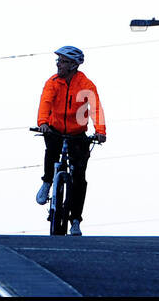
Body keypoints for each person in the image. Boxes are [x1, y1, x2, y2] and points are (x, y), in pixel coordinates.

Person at [35, 45, 106, 236]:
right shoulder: (53, 82)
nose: (59, 64)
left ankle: (75, 220)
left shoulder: (86, 85)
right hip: (55, 128)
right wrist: (43, 123)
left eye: (63, 61)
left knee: (79, 178)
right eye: (58, 61)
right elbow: (46, 103)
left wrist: (100, 131)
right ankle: (47, 182)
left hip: (77, 133)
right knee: (51, 151)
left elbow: (95, 109)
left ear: (74, 65)